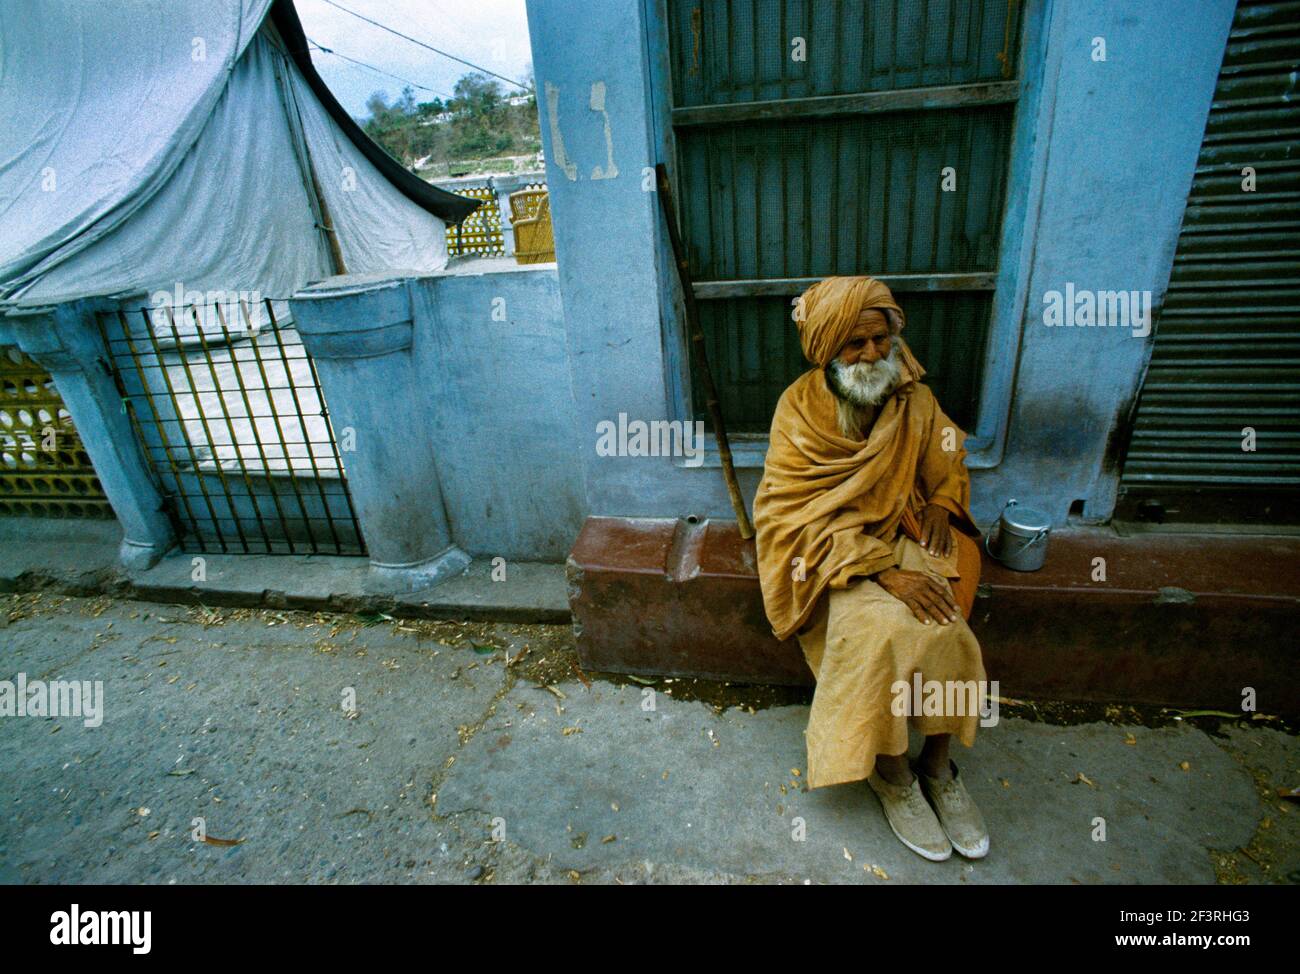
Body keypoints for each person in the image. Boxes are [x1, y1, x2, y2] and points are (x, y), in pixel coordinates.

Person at [752, 275, 990, 861]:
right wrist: (880, 569)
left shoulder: (915, 398)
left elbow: (948, 457)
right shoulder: (799, 407)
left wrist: (939, 501)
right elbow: (786, 515)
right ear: (827, 349)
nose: (871, 355)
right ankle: (893, 776)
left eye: (880, 340)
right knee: (877, 633)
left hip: (909, 529)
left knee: (947, 630)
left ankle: (938, 767)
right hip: (834, 552)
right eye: (854, 345)